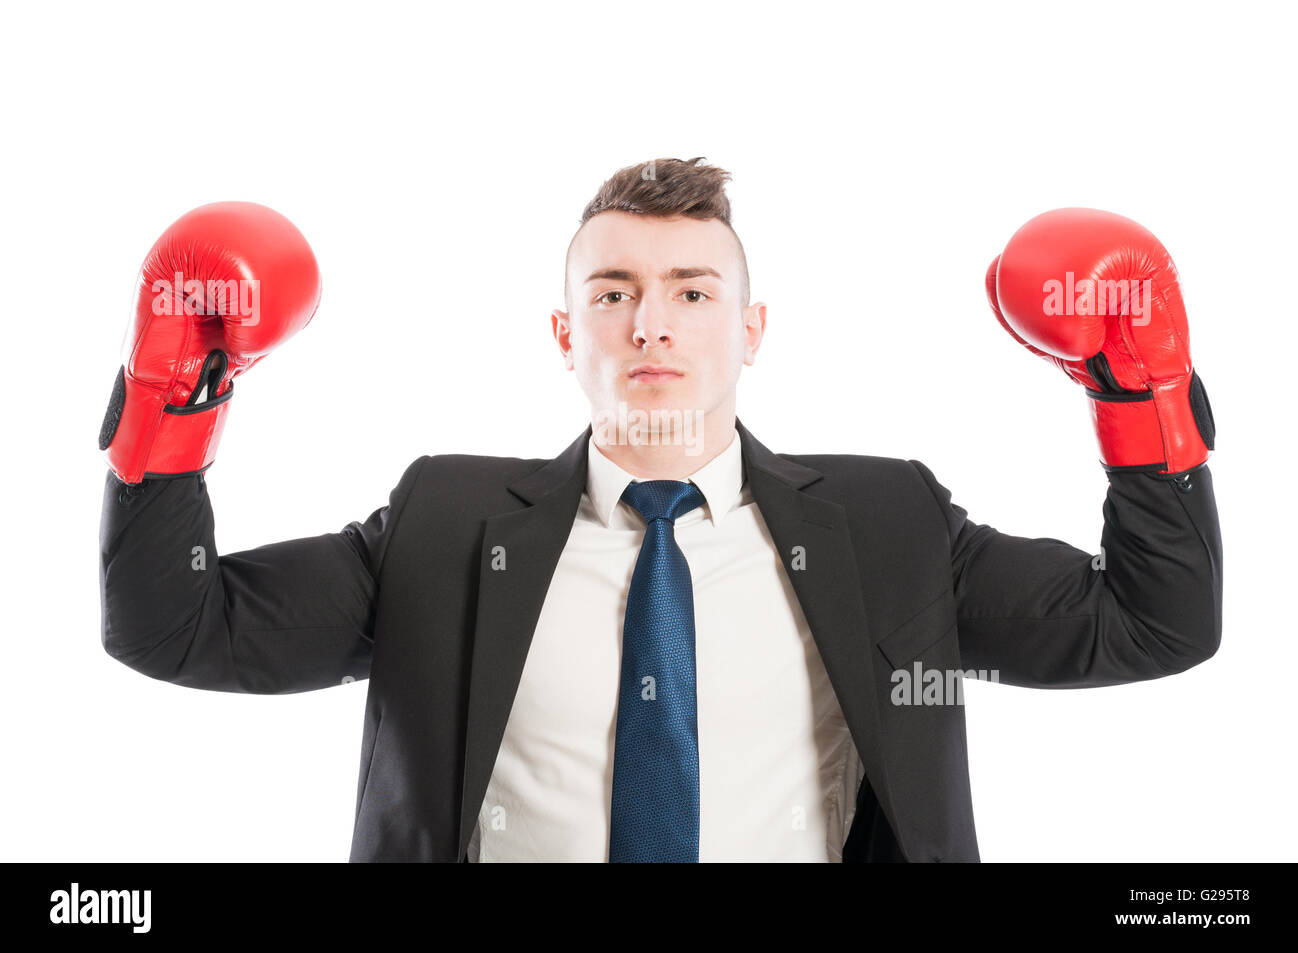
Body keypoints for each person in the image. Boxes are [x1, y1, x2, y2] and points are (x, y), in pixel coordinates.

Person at [98, 157, 1222, 862]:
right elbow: (177, 626)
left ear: (751, 329)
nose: (651, 324)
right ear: (564, 334)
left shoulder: (888, 522)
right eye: (613, 292)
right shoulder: (444, 520)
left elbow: (1148, 624)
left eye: (692, 291)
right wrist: (174, 402)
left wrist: (1142, 398)